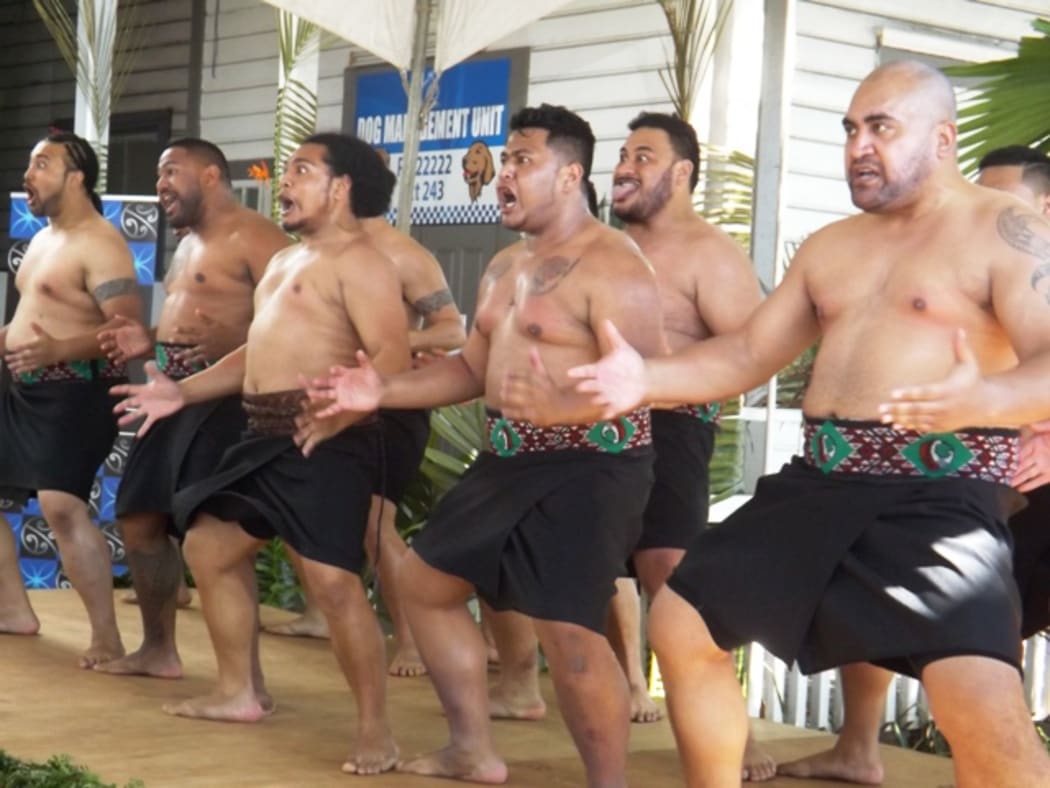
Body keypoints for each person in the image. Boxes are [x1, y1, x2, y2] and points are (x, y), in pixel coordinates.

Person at [567, 61, 1050, 787]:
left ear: (944, 139)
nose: (859, 145)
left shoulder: (1004, 233)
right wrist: (647, 380)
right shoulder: (834, 246)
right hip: (818, 483)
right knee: (682, 621)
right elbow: (746, 352)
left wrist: (983, 401)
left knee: (983, 709)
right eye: (851, 129)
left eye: (881, 128)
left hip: (938, 493)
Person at [303, 103, 665, 785]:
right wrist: (377, 391)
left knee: (572, 637)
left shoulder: (616, 267)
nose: (504, 175)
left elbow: (653, 384)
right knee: (425, 584)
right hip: (506, 459)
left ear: (570, 176)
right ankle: (472, 747)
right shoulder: (505, 265)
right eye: (504, 161)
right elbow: (469, 369)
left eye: (522, 161)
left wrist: (565, 407)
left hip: (593, 465)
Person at [110, 133, 407, 775]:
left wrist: (350, 409)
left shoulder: (363, 263)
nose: (285, 182)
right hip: (259, 436)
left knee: (330, 581)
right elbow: (257, 350)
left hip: (321, 436)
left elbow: (392, 357)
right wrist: (180, 392)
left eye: (301, 170)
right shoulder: (287, 262)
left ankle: (376, 730)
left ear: (341, 187)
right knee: (210, 547)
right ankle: (240, 691)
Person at [775, 143, 1050, 785]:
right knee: (872, 581)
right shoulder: (958, 250)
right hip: (953, 473)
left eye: (1000, 199)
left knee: (983, 644)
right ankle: (858, 747)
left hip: (1030, 481)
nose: (978, 209)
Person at [91, 138, 290, 680]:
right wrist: (147, 338)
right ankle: (159, 649)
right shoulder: (187, 242)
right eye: (159, 174)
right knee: (138, 521)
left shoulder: (257, 236)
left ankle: (246, 682)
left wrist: (237, 337)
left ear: (209, 176)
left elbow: (300, 321)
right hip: (171, 392)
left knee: (215, 535)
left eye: (170, 172)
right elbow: (190, 323)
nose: (160, 185)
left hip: (227, 400)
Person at [264, 210, 467, 680]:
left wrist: (390, 342)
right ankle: (318, 614)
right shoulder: (306, 254)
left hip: (390, 401)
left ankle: (411, 641)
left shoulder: (402, 253)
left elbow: (453, 329)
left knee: (377, 519)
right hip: (324, 401)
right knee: (296, 509)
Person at [0, 131, 142, 667]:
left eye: (41, 164)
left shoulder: (101, 242)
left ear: (76, 175)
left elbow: (127, 329)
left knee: (61, 507)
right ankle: (13, 610)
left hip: (78, 390)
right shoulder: (40, 240)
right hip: (23, 386)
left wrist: (58, 347)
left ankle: (106, 636)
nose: (28, 175)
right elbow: (30, 316)